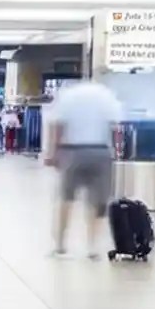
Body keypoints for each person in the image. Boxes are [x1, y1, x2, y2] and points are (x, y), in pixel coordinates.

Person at [44, 79, 123, 260]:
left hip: (72, 152)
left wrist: (53, 153)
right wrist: (117, 151)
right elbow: (116, 127)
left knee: (66, 197)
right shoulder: (106, 95)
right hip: (101, 151)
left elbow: (57, 126)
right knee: (98, 201)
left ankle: (60, 245)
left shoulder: (67, 96)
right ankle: (93, 247)